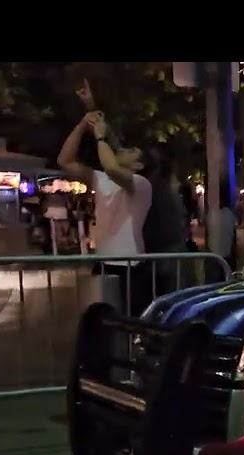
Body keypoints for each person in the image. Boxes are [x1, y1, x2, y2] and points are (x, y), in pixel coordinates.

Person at [57, 104, 154, 316]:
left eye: (130, 152)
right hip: (103, 262)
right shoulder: (100, 179)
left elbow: (111, 167)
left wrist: (100, 138)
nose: (122, 150)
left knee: (129, 323)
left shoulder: (140, 184)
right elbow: (65, 160)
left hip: (130, 266)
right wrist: (84, 124)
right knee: (101, 324)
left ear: (138, 165)